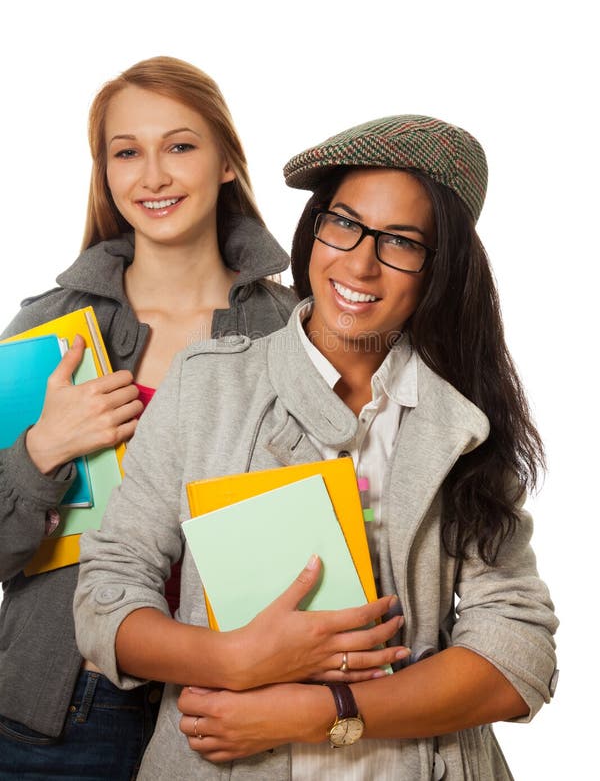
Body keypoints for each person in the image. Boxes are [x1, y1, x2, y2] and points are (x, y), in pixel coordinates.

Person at [73, 115, 558, 780]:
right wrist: (235, 660)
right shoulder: (207, 384)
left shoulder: (463, 422)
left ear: (439, 269)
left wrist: (323, 710)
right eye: (344, 223)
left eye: (400, 241)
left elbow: (517, 652)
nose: (359, 261)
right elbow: (108, 590)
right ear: (314, 227)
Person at [0, 55, 305, 779]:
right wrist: (40, 451)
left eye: (181, 146)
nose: (154, 176)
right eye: (126, 152)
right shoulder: (46, 335)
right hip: (59, 710)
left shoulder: (299, 333)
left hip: (239, 705)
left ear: (227, 160)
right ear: (104, 173)